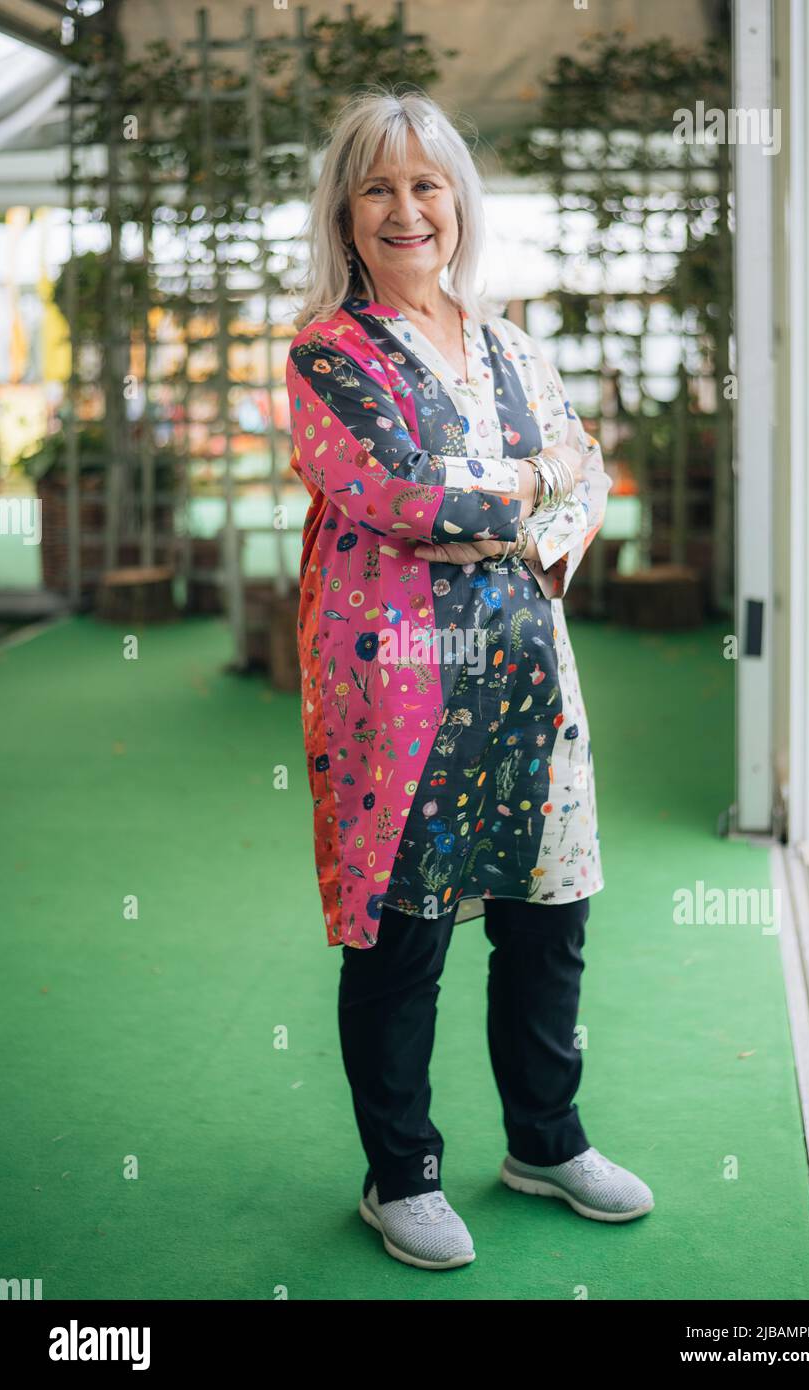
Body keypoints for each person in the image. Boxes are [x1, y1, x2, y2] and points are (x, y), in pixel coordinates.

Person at [286, 86, 654, 1270]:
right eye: (379, 188)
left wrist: (516, 490)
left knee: (550, 922)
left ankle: (544, 1140)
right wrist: (522, 483)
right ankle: (400, 1175)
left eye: (426, 184)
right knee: (403, 939)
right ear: (345, 215)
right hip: (399, 690)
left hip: (530, 680)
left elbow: (586, 479)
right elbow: (403, 497)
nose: (406, 209)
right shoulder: (326, 356)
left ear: (458, 202)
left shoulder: (509, 346)